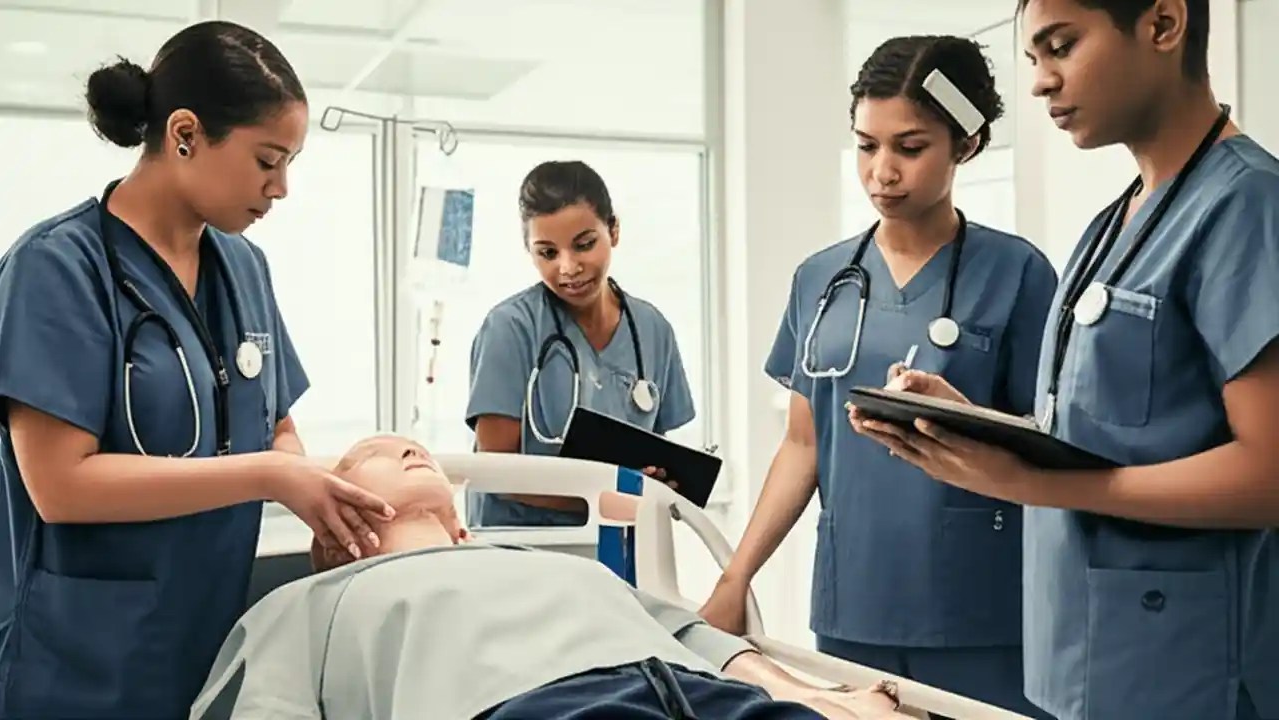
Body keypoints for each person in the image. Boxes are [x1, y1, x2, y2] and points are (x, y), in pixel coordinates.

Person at [850, 1, 1279, 719]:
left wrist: (1030, 484)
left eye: (1061, 46)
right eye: (1032, 60)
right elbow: (1105, 428)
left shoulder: (1247, 208)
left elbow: (1270, 474)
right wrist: (975, 424)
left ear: (1164, 24)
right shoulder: (1113, 226)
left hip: (1187, 669)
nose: (1043, 82)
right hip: (1082, 658)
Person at [0, 21, 394, 718]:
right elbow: (60, 486)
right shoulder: (57, 269)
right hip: (78, 662)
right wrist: (272, 475)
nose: (281, 189)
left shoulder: (243, 268)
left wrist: (325, 499)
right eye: (268, 160)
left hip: (209, 646)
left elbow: (276, 428)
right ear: (185, 134)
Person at [699, 35, 1058, 719]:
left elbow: (1049, 440)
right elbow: (803, 447)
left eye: (910, 147)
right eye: (867, 146)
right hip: (853, 605)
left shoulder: (1019, 274)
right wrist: (735, 577)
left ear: (967, 145)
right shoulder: (821, 280)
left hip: (980, 609)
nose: (882, 172)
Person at [191, 434, 917, 720]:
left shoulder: (541, 565)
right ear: (333, 528)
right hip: (535, 707)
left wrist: (819, 700)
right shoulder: (316, 601)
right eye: (379, 451)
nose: (409, 447)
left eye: (414, 446)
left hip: (698, 696)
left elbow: (694, 635)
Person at [465, 160, 696, 527]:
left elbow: (655, 458)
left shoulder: (653, 330)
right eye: (548, 253)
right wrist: (604, 497)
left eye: (584, 245)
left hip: (617, 554)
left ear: (614, 230)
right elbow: (494, 470)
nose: (568, 268)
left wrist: (656, 484)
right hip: (520, 555)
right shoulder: (510, 328)